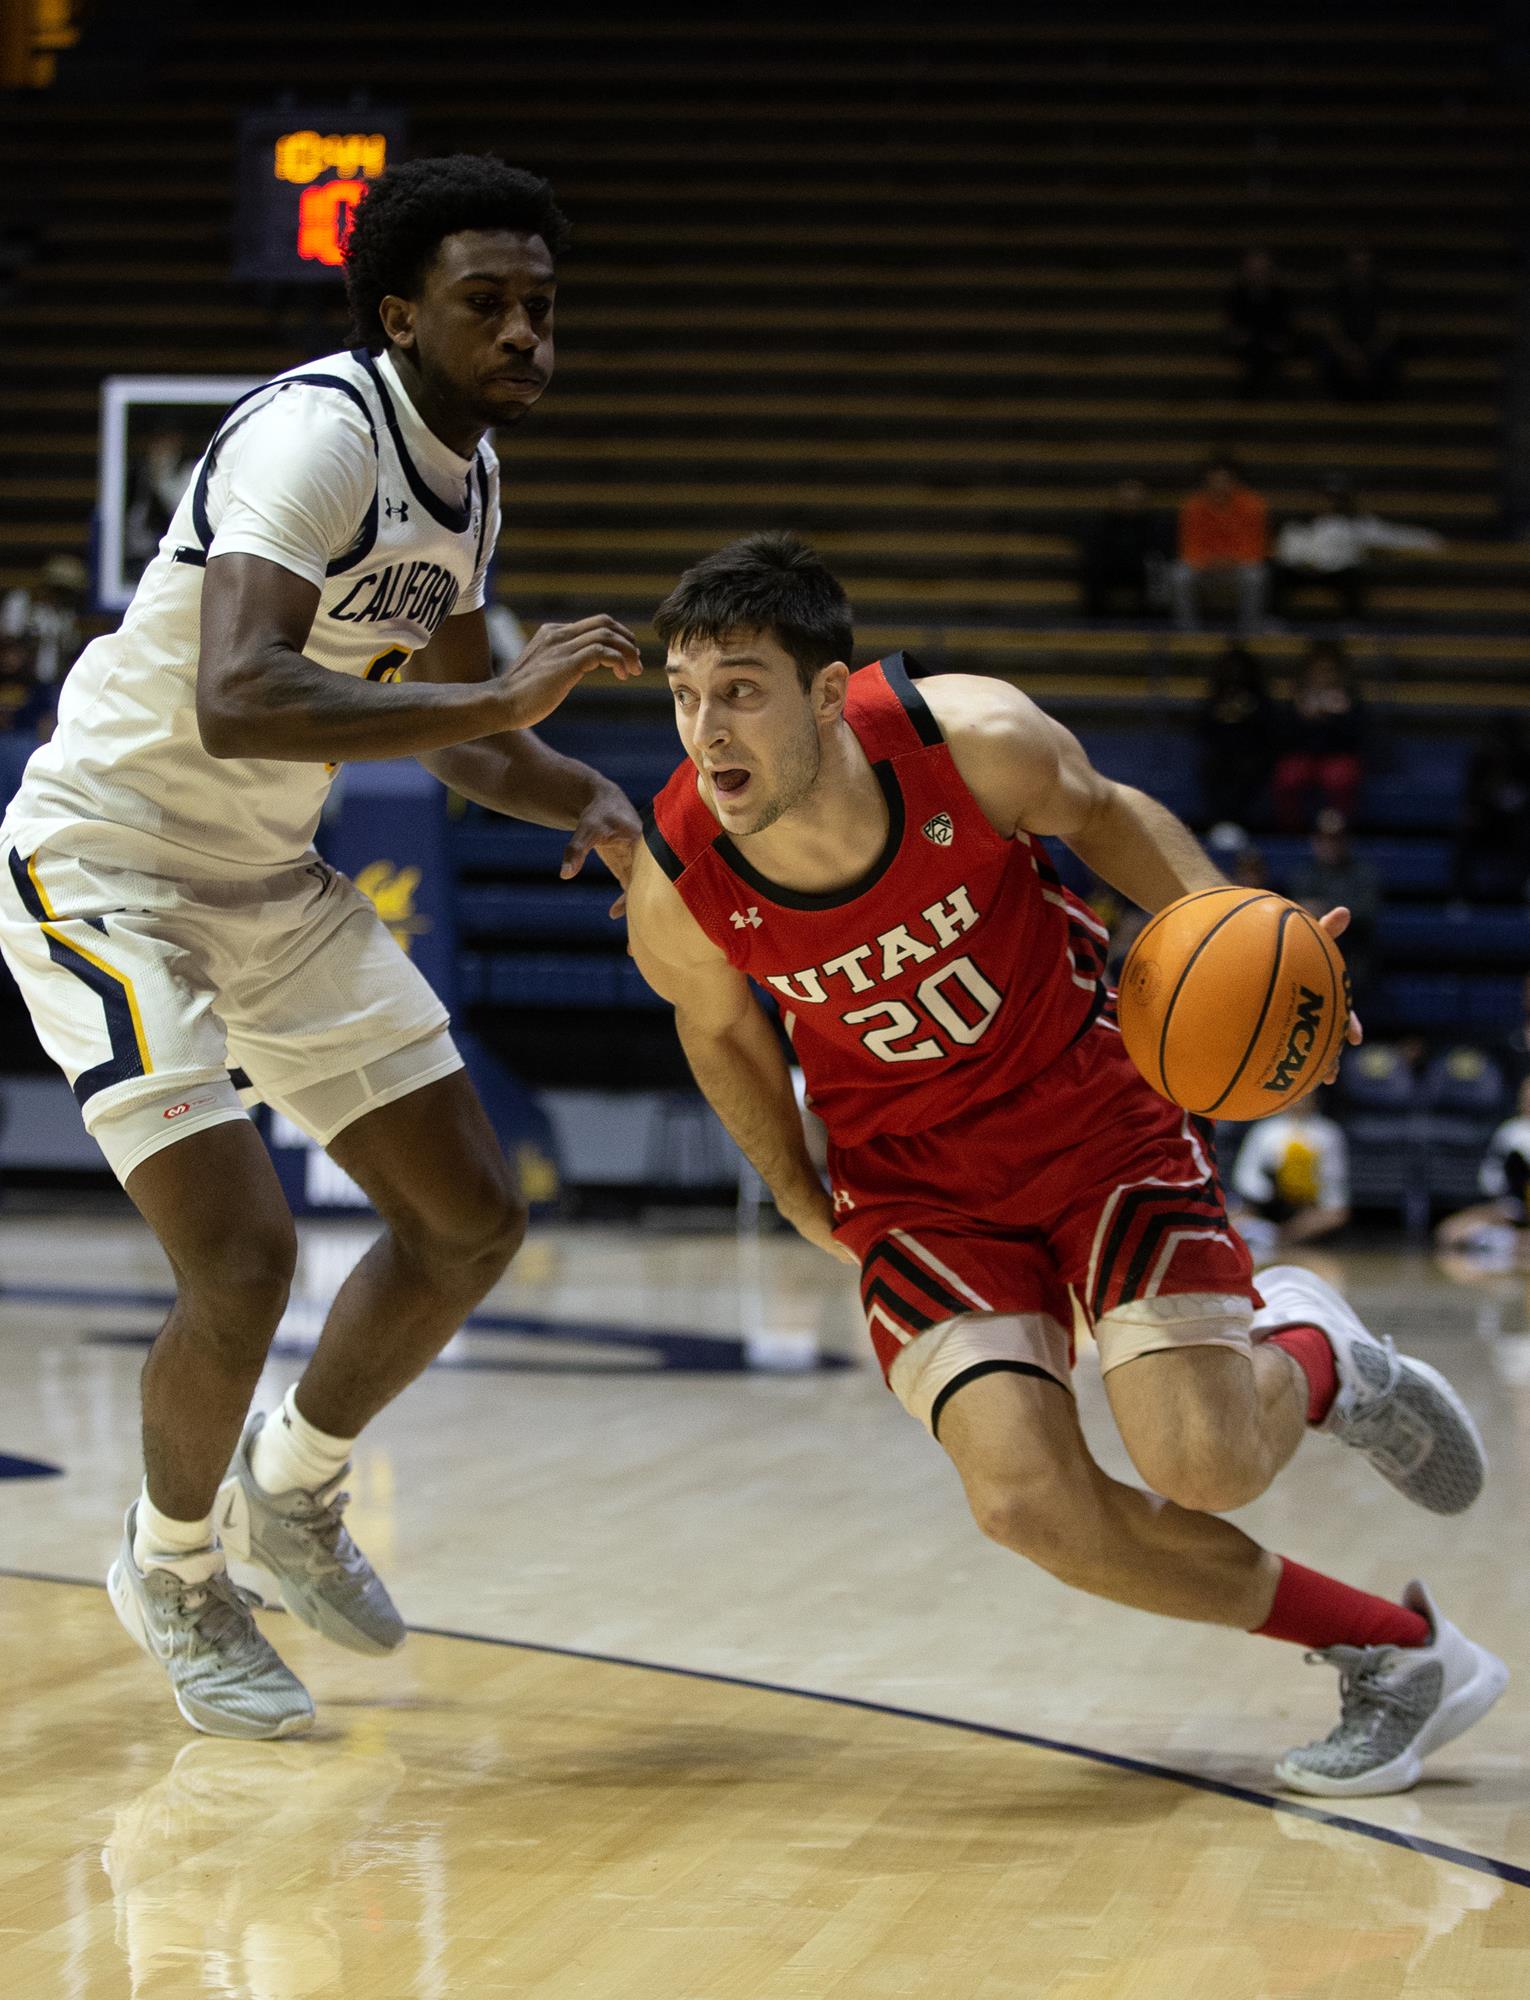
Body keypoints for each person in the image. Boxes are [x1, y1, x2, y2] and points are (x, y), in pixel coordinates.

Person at [625, 531, 1501, 1799]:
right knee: (1027, 1500)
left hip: (1096, 1119)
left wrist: (1260, 950)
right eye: (684, 694)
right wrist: (800, 1190)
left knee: (1199, 1462)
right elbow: (716, 1029)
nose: (707, 730)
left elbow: (1109, 820)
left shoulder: (967, 739)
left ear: (827, 691)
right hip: (918, 1186)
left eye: (742, 689)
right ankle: (1393, 1652)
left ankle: (1317, 1352)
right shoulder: (681, 880)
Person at [0, 154, 645, 1739]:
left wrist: (614, 810)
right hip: (108, 869)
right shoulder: (318, 433)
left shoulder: (467, 481)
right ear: (398, 315)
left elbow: (472, 745)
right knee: (241, 1257)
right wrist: (496, 703)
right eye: (485, 304)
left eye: (541, 308)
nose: (522, 334)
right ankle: (174, 1570)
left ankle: (291, 1491)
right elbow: (239, 694)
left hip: (263, 875)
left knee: (468, 1221)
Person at [1271, 478, 1443, 623]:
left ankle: (1353, 622)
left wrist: (1428, 540)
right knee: (1275, 573)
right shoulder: (1295, 525)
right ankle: (1275, 619)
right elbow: (1285, 552)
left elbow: (1392, 536)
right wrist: (1304, 563)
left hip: (1337, 576)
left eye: (1332, 499)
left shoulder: (1355, 525)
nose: (1326, 503)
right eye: (1322, 498)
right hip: (1301, 573)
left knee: (1354, 575)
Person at [1231, 1090, 1351, 1259]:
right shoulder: (1265, 1130)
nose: (1300, 1103)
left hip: (1305, 1206)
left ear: (1315, 1101)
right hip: (1268, 1201)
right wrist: (1265, 1192)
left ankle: (1279, 1239)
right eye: (1296, 1099)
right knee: (1233, 1217)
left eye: (1306, 1099)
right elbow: (1245, 1174)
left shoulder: (1329, 1133)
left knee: (1334, 1216)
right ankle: (1262, 1234)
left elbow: (1333, 1180)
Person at [1271, 641, 1366, 832]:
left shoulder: (1349, 700)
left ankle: (1339, 833)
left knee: (1340, 777)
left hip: (1336, 757)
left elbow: (1357, 740)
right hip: (1303, 757)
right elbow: (1281, 740)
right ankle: (1291, 830)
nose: (1323, 675)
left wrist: (1339, 716)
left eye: (1329, 670)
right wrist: (1303, 717)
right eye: (1318, 670)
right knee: (1289, 776)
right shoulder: (1297, 700)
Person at [1169, 456, 1269, 635]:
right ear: (1207, 481)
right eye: (1215, 480)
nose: (1220, 485)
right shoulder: (1193, 505)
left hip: (1236, 568)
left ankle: (1249, 631)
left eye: (1225, 480)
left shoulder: (1252, 504)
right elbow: (1189, 546)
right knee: (1180, 575)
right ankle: (1188, 633)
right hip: (1205, 568)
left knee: (1256, 576)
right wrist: (1208, 561)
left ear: (1234, 481)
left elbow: (1255, 546)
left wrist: (1232, 561)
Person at [1291, 808, 1381, 997]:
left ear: (1346, 840)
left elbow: (1366, 912)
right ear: (1315, 841)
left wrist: (1325, 908)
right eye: (1324, 839)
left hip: (1353, 954)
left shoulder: (1363, 874)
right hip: (1314, 955)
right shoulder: (1305, 875)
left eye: (1336, 839)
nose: (1330, 845)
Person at [1435, 1075, 1530, 1256]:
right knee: (1450, 1232)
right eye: (1526, 1095)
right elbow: (1491, 1180)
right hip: (1514, 1210)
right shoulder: (1510, 1132)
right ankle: (1512, 1242)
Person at [1194, 644, 1277, 827]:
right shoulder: (1216, 698)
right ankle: (1220, 821)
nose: (1235, 674)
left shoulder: (1259, 699)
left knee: (1249, 769)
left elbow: (1270, 731)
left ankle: (1238, 821)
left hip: (1252, 753)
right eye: (1230, 670)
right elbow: (1203, 729)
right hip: (1222, 753)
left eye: (1239, 670)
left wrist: (1249, 713)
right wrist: (1221, 715)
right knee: (1212, 767)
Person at [1451, 715, 1530, 905]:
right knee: (1465, 832)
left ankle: (1526, 889)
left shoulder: (1523, 761)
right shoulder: (1480, 761)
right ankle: (1460, 896)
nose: (1498, 745)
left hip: (1514, 825)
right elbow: (1470, 801)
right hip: (1487, 824)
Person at [1077, 477, 1174, 619]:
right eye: (1126, 500)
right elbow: (1094, 548)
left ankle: (1153, 622)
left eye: (1135, 501)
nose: (1131, 505)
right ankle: (1095, 621)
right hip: (1112, 568)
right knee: (1093, 569)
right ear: (1117, 501)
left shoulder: (1154, 524)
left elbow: (1160, 550)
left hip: (1140, 570)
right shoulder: (1103, 523)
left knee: (1156, 569)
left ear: (1144, 502)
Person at [1314, 248, 1403, 402]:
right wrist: (1348, 352)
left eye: (1363, 264)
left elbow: (1390, 326)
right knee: (1325, 360)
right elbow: (1328, 325)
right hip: (1343, 349)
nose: (1359, 269)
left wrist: (1368, 352)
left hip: (1374, 348)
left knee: (1390, 361)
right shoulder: (1337, 290)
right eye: (1355, 264)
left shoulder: (1383, 290)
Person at [0, 551, 88, 696]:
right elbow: (8, 641)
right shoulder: (21, 602)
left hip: (53, 684)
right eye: (58, 590)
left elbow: (70, 647)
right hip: (17, 679)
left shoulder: (66, 615)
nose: (60, 596)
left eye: (67, 592)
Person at [1222, 249, 1297, 399]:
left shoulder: (1280, 295)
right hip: (1247, 345)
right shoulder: (1236, 294)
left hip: (1271, 345)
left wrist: (1277, 339)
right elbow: (1233, 326)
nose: (1258, 274)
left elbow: (1285, 326)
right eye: (1253, 270)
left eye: (1262, 270)